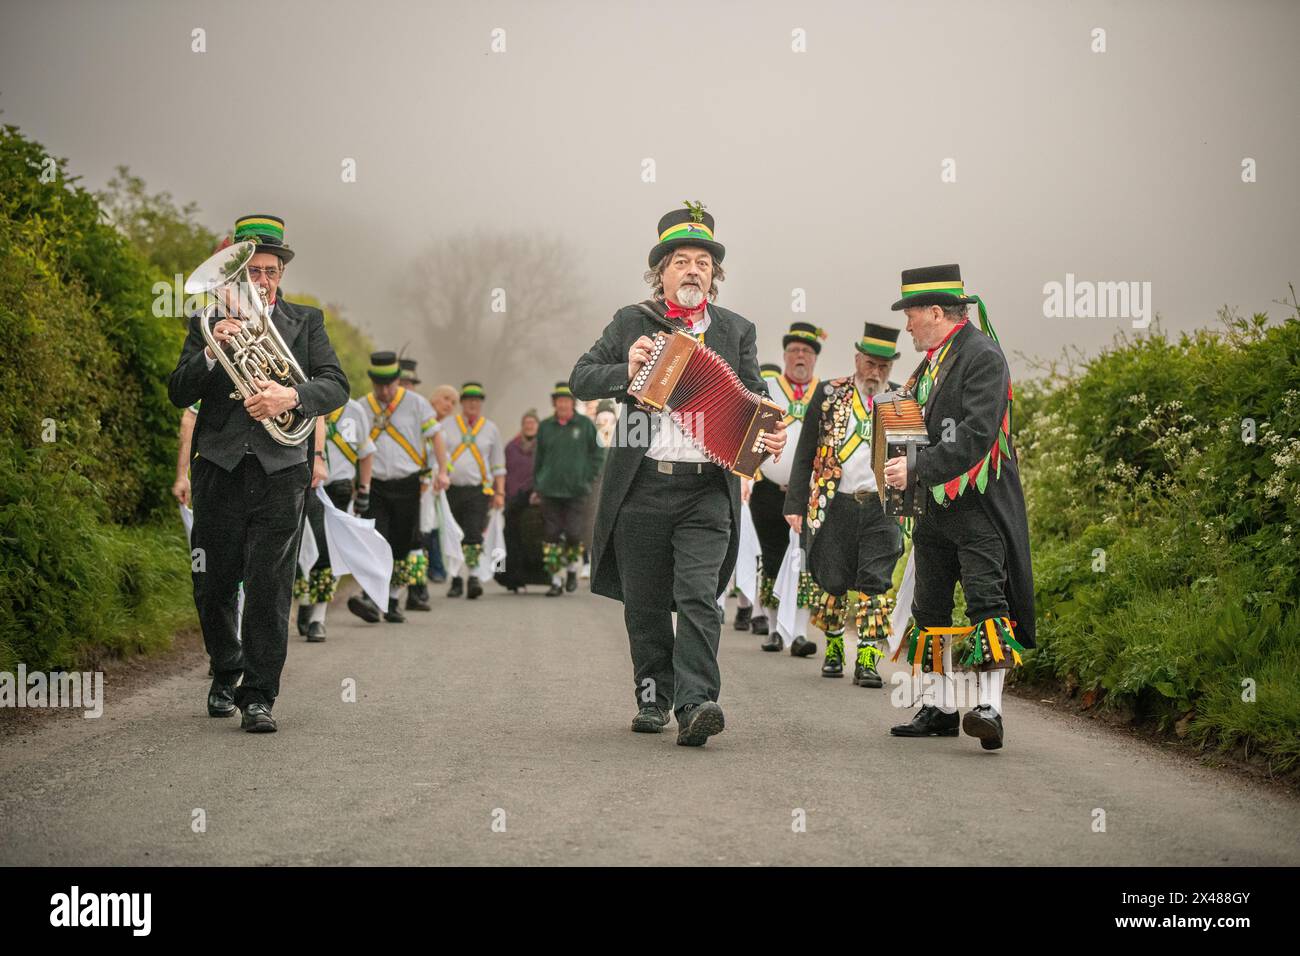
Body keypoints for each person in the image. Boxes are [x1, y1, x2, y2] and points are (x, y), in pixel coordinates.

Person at [570, 201, 786, 747]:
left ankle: (696, 703)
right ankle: (652, 694)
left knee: (697, 596)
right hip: (641, 482)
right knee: (644, 601)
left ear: (714, 277)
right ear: (661, 271)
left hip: (706, 491)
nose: (694, 269)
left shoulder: (737, 331)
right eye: (682, 260)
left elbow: (755, 398)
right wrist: (631, 369)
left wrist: (770, 432)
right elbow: (581, 379)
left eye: (703, 263)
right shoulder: (632, 322)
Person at [168, 214, 349, 733]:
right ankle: (226, 670)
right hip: (219, 469)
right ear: (234, 277)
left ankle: (259, 696)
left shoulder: (305, 322)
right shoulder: (206, 320)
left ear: (281, 274)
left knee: (271, 586)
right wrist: (210, 350)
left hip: (281, 471)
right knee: (213, 580)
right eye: (252, 271)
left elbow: (336, 386)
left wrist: (291, 395)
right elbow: (179, 392)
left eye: (270, 270)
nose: (262, 280)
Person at [881, 265, 1035, 750]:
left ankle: (989, 708)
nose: (906, 326)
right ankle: (941, 707)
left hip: (979, 507)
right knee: (930, 608)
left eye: (910, 316)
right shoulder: (930, 363)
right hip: (935, 509)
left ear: (934, 311)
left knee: (988, 601)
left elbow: (977, 433)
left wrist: (917, 468)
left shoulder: (982, 355)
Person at [784, 322, 906, 687]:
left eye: (884, 367)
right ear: (857, 359)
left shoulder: (902, 400)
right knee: (832, 580)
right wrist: (795, 503)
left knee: (876, 581)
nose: (876, 372)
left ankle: (867, 658)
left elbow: (914, 454)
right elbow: (805, 451)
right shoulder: (829, 394)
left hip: (882, 507)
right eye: (871, 363)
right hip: (832, 504)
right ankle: (835, 647)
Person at [347, 351, 447, 624]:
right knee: (378, 540)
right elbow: (349, 446)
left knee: (403, 544)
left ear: (397, 381)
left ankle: (392, 600)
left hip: (408, 484)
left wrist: (443, 471)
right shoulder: (361, 406)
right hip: (375, 485)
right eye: (379, 385)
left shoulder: (416, 404)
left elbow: (436, 437)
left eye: (390, 384)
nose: (385, 390)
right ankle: (370, 596)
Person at [748, 322, 825, 656]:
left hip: (807, 494)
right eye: (794, 351)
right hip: (768, 490)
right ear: (784, 355)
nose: (800, 357)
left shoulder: (825, 393)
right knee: (774, 556)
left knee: (804, 560)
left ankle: (798, 633)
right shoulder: (767, 387)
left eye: (806, 352)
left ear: (814, 359)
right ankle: (774, 627)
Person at [294, 397, 375, 641]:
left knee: (330, 551)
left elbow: (366, 451)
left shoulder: (354, 410)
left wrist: (364, 489)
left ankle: (319, 617)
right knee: (303, 547)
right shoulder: (299, 397)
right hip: (306, 485)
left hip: (338, 488)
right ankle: (306, 598)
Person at [534, 383, 604, 596]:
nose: (562, 404)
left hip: (577, 491)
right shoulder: (545, 426)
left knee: (574, 534)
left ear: (572, 403)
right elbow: (539, 458)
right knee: (551, 535)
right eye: (559, 400)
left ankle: (572, 570)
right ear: (554, 403)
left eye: (566, 400)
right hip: (549, 490)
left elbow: (598, 455)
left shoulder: (585, 425)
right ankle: (555, 580)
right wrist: (537, 484)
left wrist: (587, 477)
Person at [438, 382, 506, 599]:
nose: (472, 404)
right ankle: (456, 579)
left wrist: (500, 492)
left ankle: (474, 577)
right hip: (450, 490)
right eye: (468, 400)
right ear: (462, 403)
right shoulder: (447, 425)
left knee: (474, 533)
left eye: (477, 400)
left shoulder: (491, 428)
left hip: (479, 491)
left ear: (481, 403)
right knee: (453, 534)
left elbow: (498, 464)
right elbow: (438, 454)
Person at [498, 410, 546, 591]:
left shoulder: (543, 447)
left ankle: (532, 576)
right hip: (512, 498)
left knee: (530, 537)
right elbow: (504, 470)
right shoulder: (511, 447)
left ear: (538, 426)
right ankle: (507, 576)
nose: (529, 425)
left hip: (533, 498)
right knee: (510, 537)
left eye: (533, 422)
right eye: (526, 422)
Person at [423, 383, 460, 585]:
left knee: (433, 527)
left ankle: (435, 569)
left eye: (453, 403)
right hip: (416, 484)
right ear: (434, 398)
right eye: (446, 398)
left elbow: (444, 459)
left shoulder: (442, 432)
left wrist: (444, 474)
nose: (449, 405)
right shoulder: (421, 420)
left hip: (433, 488)